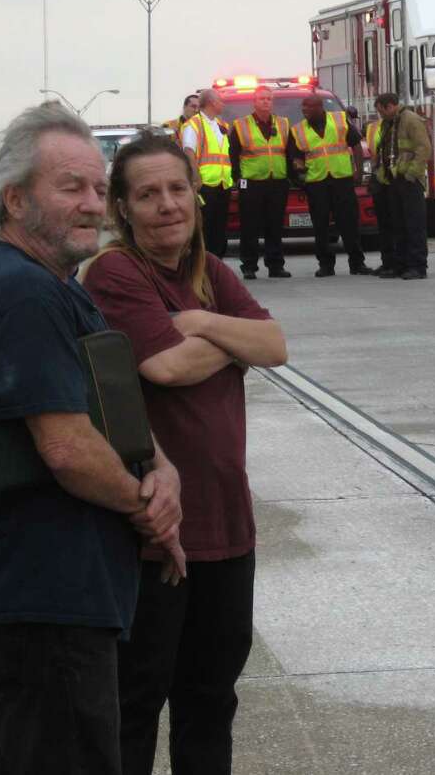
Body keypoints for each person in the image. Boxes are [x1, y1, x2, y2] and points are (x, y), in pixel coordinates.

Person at [0, 104, 185, 775]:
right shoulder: (24, 294)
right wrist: (148, 510)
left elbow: (110, 407)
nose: (92, 205)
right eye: (71, 187)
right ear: (15, 198)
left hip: (66, 589)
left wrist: (164, 472)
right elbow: (68, 446)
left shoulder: (57, 286)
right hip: (41, 593)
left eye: (100, 190)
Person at [82, 134, 286, 775]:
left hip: (228, 525)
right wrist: (232, 337)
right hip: (158, 528)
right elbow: (166, 368)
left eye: (176, 189)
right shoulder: (116, 273)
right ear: (122, 208)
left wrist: (200, 323)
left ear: (195, 195)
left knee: (209, 701)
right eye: (147, 194)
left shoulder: (210, 272)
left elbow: (276, 343)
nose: (167, 205)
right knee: (135, 704)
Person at [287, 95, 370, 277]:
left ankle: (357, 263)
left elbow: (356, 145)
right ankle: (325, 265)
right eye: (303, 108)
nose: (305, 111)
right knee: (320, 225)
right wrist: (300, 175)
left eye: (308, 108)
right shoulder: (298, 130)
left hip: (342, 180)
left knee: (349, 224)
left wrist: (359, 171)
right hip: (317, 183)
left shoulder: (339, 120)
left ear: (319, 107)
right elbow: (295, 158)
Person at [230, 86, 291, 280]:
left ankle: (275, 265)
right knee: (250, 226)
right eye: (262, 98)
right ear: (254, 102)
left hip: (277, 181)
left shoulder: (283, 124)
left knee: (275, 225)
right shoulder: (241, 125)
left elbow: (289, 152)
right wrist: (236, 181)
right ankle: (249, 266)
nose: (266, 102)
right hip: (251, 182)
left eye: (269, 99)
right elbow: (232, 155)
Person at [374, 93, 431, 280]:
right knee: (399, 225)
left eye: (381, 110)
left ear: (390, 106)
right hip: (394, 179)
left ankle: (417, 266)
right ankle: (400, 264)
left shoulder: (411, 120)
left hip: (409, 180)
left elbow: (424, 148)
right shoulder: (389, 123)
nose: (380, 115)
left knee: (414, 225)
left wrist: (411, 174)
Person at [181, 89, 232, 258]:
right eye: (220, 101)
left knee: (219, 230)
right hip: (205, 186)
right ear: (211, 103)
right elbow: (189, 151)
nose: (223, 104)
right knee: (205, 230)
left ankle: (217, 265)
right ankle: (203, 268)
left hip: (222, 184)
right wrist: (196, 178)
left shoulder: (221, 125)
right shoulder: (194, 124)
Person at [363, 113, 398, 277]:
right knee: (383, 225)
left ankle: (396, 263)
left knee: (395, 224)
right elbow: (373, 155)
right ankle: (387, 262)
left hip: (394, 180)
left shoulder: (398, 125)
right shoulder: (372, 128)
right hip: (379, 179)